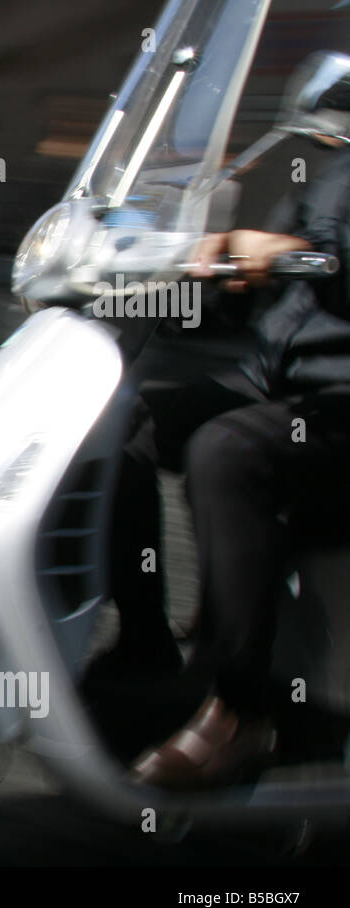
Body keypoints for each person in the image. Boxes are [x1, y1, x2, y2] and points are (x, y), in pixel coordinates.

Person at [90, 128, 350, 791]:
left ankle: (239, 709)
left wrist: (300, 255)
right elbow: (268, 292)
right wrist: (191, 273)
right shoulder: (333, 168)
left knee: (228, 451)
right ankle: (144, 645)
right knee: (119, 422)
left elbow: (316, 265)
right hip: (280, 374)